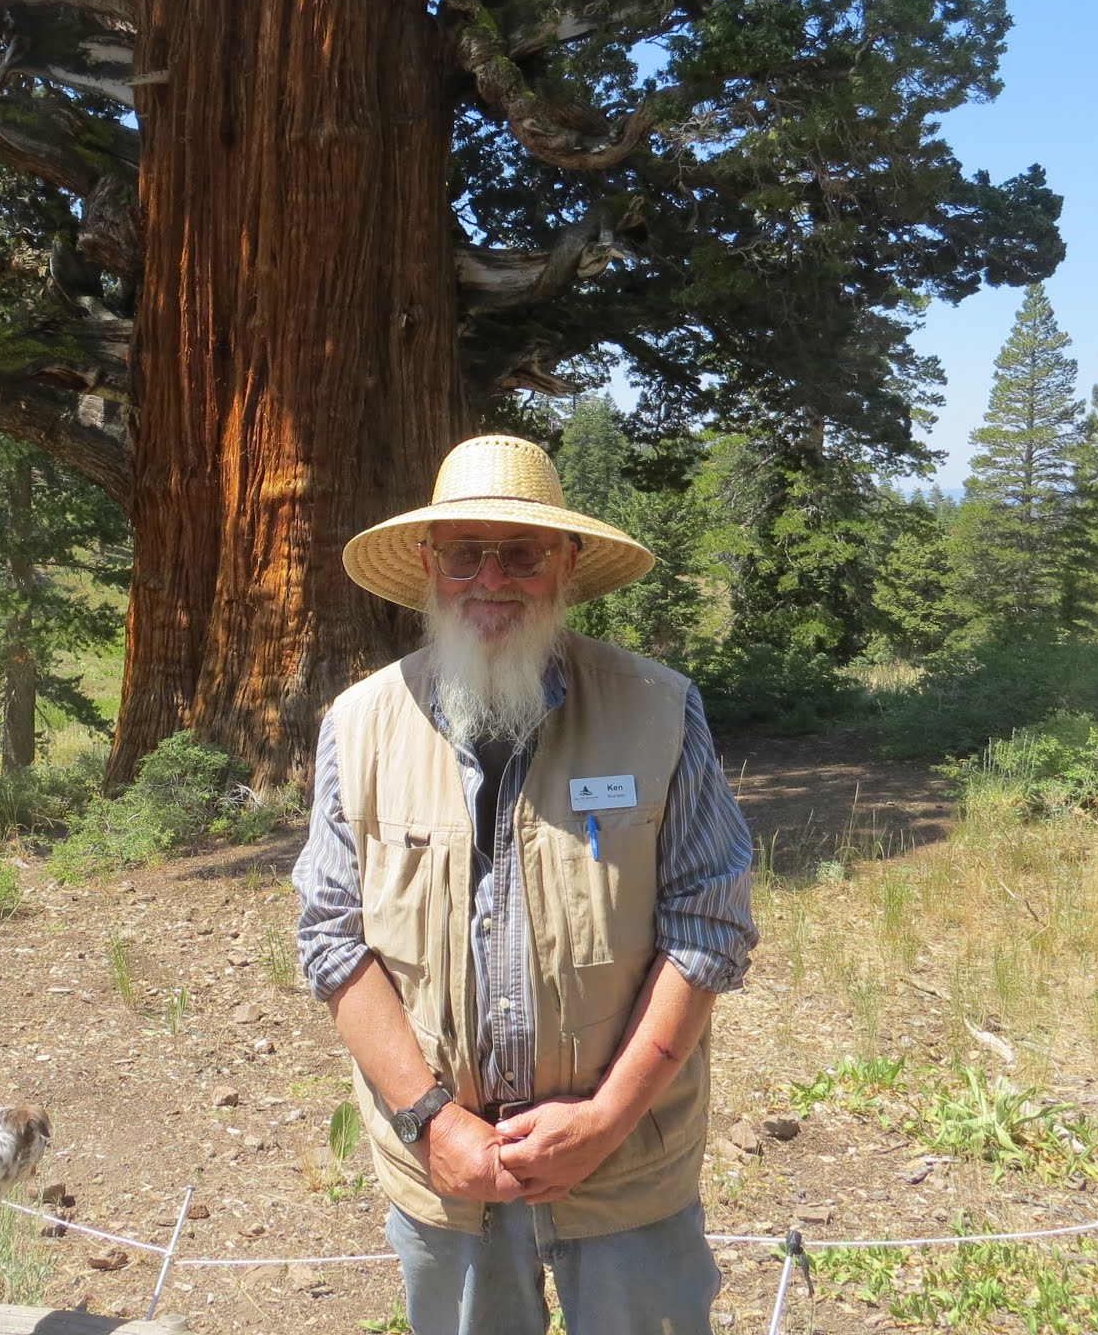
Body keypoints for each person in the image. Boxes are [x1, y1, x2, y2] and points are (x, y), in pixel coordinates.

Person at [293, 433, 758, 1335]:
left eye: (522, 554)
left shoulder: (659, 708)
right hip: (446, 1171)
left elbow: (709, 928)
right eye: (465, 553)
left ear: (567, 564)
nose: (491, 579)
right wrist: (433, 1122)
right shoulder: (358, 725)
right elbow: (330, 938)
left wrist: (607, 1118)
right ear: (428, 565)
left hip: (628, 1165)